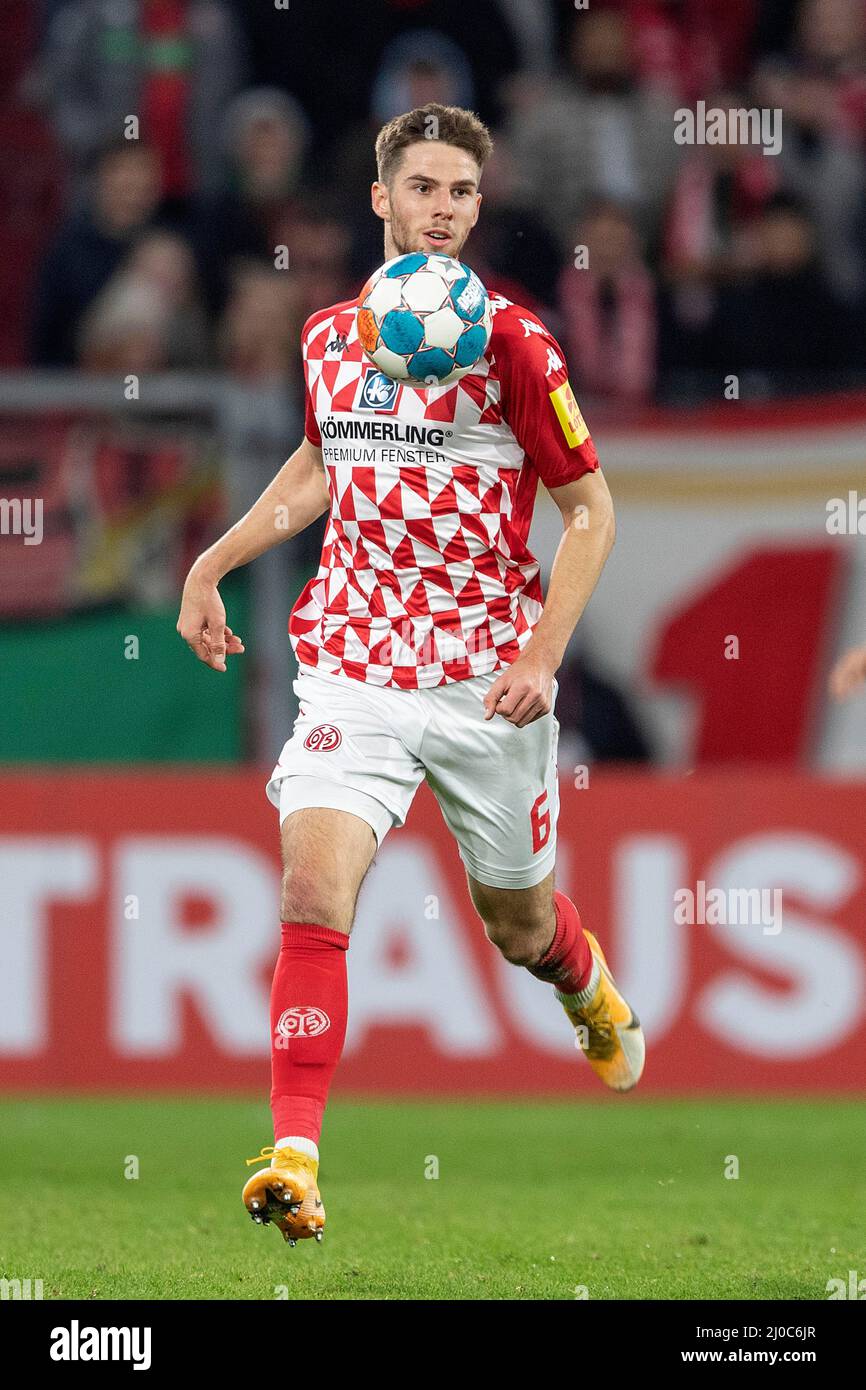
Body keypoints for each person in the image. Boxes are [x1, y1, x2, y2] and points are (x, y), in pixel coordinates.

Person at [176, 102, 645, 1248]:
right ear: (379, 199)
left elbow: (589, 513)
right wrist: (217, 559)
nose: (441, 210)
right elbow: (318, 465)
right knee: (309, 892)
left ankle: (582, 981)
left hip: (486, 675)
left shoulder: (516, 346)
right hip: (354, 660)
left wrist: (541, 657)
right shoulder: (332, 333)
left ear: (476, 209)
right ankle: (294, 1155)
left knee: (515, 923)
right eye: (422, 188)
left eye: (460, 193)